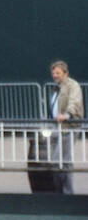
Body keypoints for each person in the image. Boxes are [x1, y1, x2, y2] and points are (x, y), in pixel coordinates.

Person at [48, 59, 84, 195]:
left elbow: (74, 102)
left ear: (65, 73)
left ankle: (66, 193)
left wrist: (67, 115)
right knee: (60, 161)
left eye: (57, 73)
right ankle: (62, 192)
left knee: (61, 161)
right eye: (53, 73)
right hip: (56, 127)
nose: (55, 75)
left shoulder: (72, 85)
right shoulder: (57, 87)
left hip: (68, 127)